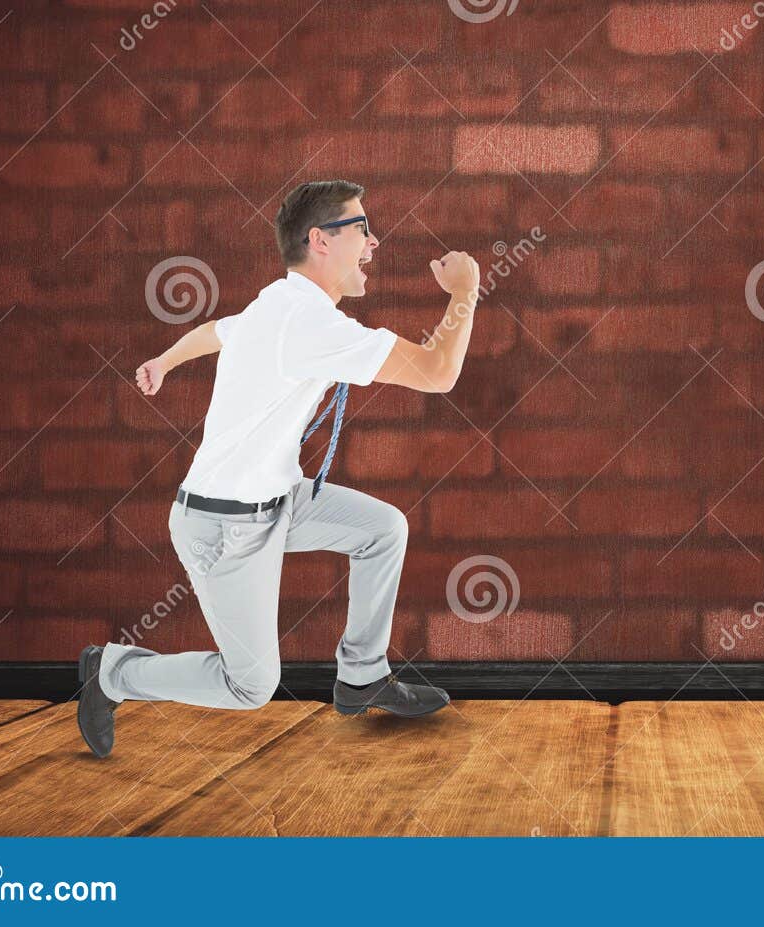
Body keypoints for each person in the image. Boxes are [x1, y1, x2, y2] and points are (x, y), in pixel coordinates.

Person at [75, 180, 482, 758]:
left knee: (383, 529)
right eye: (362, 229)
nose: (374, 243)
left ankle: (362, 677)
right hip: (224, 527)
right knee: (248, 685)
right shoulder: (310, 323)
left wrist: (165, 360)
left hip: (281, 501)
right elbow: (440, 372)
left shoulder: (280, 302)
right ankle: (112, 672)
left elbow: (219, 330)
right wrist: (465, 291)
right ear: (320, 240)